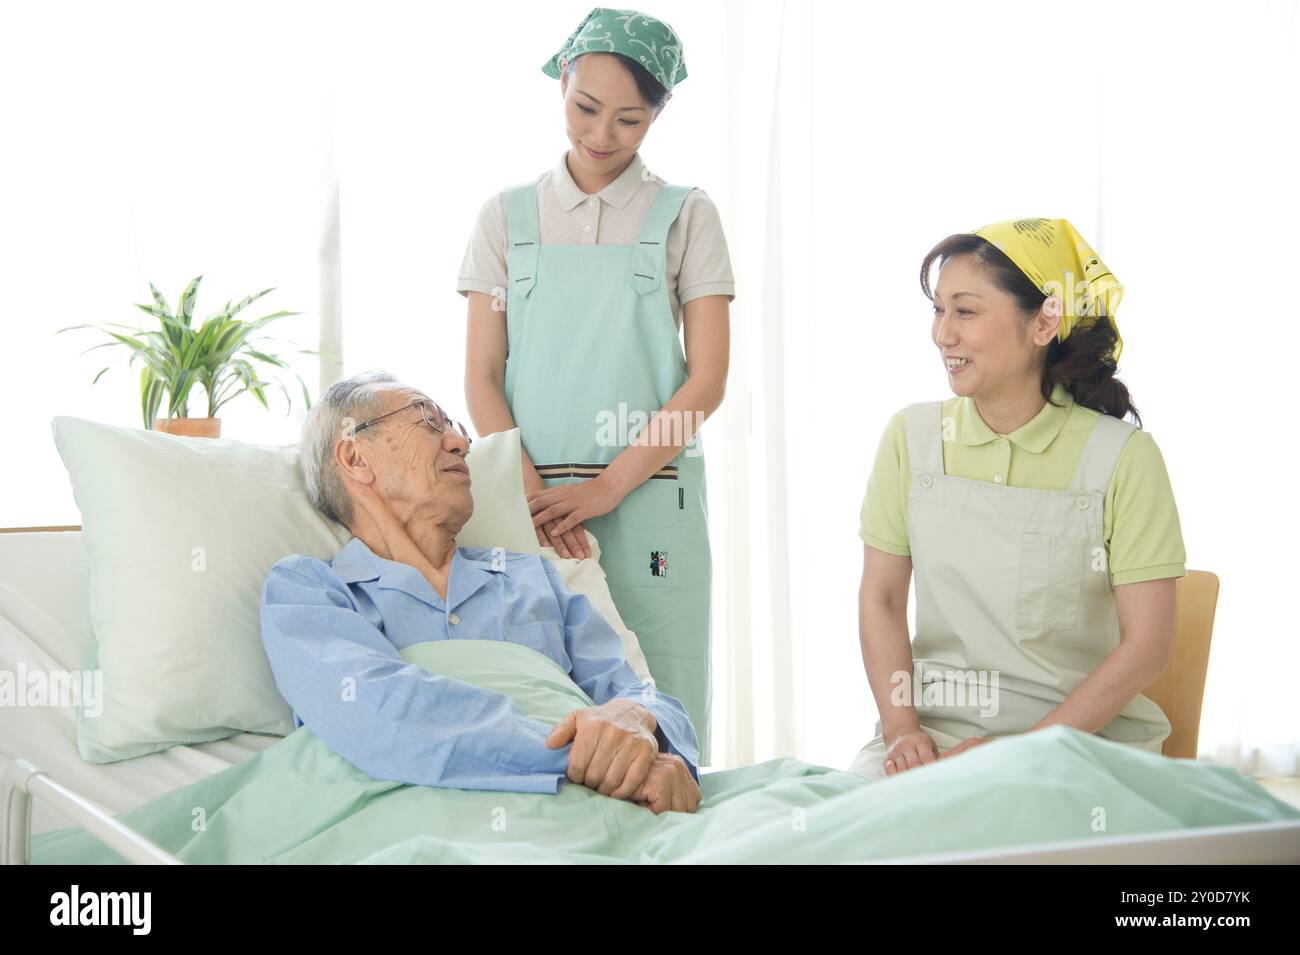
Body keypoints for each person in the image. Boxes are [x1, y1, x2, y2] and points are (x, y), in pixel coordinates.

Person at [458, 8, 734, 763]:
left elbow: (706, 382)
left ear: (658, 114)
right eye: (586, 108)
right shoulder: (505, 219)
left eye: (629, 119)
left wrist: (609, 487)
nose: (602, 135)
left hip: (649, 503)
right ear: (561, 83)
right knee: (548, 711)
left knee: (663, 714)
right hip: (533, 504)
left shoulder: (687, 216)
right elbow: (482, 375)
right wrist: (527, 495)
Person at [260, 371, 702, 814]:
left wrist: (642, 724)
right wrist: (587, 759)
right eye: (428, 421)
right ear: (355, 457)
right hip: (429, 820)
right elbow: (380, 714)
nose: (460, 443)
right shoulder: (308, 589)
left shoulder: (532, 577)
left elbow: (636, 693)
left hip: (601, 808)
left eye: (457, 427)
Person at [849, 218, 1185, 781]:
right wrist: (902, 728)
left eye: (966, 310)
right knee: (847, 835)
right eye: (938, 310)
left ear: (1044, 322)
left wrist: (1021, 753)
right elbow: (880, 598)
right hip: (932, 734)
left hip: (1075, 744)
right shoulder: (911, 437)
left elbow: (1148, 645)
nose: (942, 334)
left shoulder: (1124, 457)